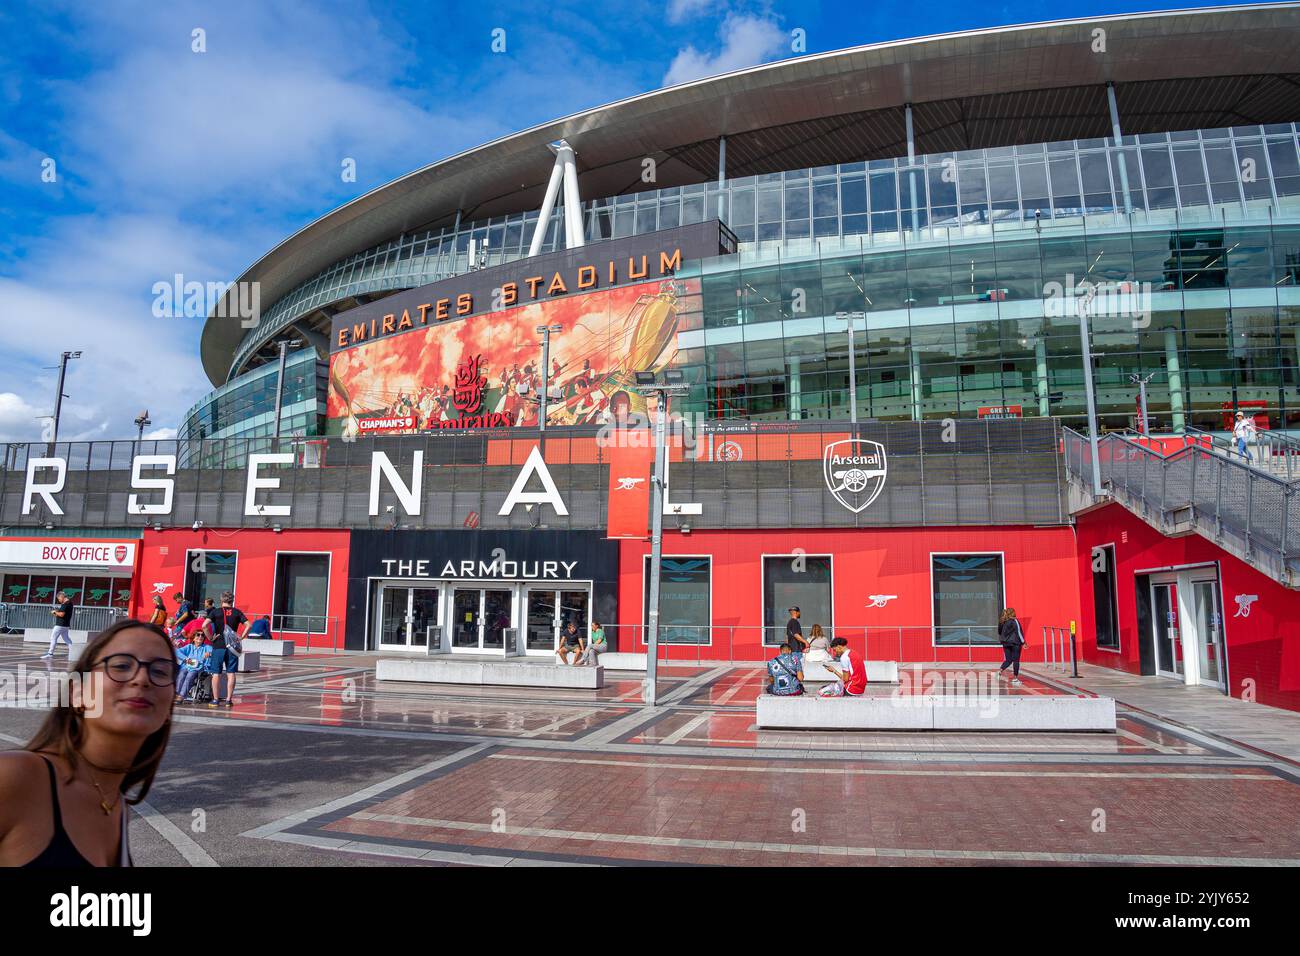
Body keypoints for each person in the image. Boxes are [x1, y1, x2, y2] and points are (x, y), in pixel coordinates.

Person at [0, 619, 175, 866]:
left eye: (160, 671)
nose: (142, 679)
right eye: (122, 665)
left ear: (170, 706)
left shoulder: (118, 807)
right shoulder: (16, 778)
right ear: (77, 692)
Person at [205, 592, 250, 708]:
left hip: (218, 645)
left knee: (216, 673)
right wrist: (241, 637)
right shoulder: (237, 612)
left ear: (221, 600)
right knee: (231, 673)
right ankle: (228, 700)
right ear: (232, 600)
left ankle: (215, 700)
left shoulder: (215, 612)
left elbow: (204, 625)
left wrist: (210, 637)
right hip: (232, 646)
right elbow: (248, 625)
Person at [174, 631, 211, 704]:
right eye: (198, 635)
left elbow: (213, 651)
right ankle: (176, 694)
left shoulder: (206, 647)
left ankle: (181, 696)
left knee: (190, 675)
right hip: (187, 666)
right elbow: (177, 651)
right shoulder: (189, 646)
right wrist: (186, 659)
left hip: (199, 668)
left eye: (202, 635)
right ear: (193, 638)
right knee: (182, 674)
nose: (200, 637)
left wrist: (209, 653)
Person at [42, 590, 75, 659]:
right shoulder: (70, 603)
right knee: (66, 639)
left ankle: (50, 653)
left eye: (59, 599)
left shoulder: (65, 604)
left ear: (62, 596)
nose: (59, 600)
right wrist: (57, 612)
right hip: (66, 625)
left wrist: (54, 612)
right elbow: (63, 613)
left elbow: (62, 614)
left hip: (60, 625)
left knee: (53, 638)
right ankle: (74, 652)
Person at [998, 607, 1027, 685]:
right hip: (1015, 643)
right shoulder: (1015, 621)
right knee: (1016, 660)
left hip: (1005, 643)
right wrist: (1023, 642)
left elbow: (999, 632)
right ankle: (1015, 678)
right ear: (1013, 613)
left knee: (1008, 660)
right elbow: (1019, 632)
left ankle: (1000, 671)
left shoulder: (1002, 621)